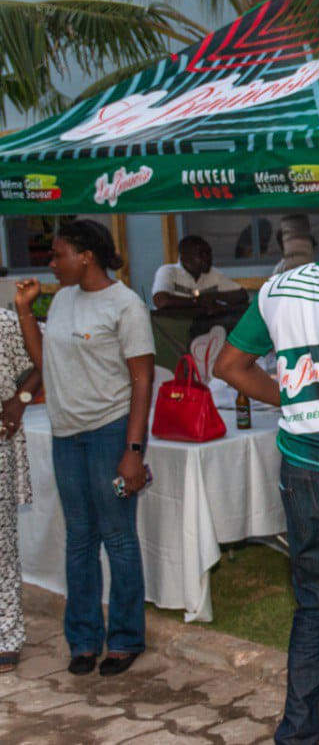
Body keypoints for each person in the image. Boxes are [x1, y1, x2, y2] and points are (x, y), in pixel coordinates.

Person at [213, 193, 319, 745]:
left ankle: (297, 733)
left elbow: (229, 366)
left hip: (301, 466)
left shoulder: (278, 287)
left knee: (313, 603)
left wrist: (290, 400)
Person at [14, 220, 154, 677]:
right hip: (65, 436)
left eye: (58, 256)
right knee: (78, 539)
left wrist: (133, 448)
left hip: (109, 433)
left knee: (117, 538)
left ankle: (126, 638)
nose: (51, 264)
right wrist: (23, 311)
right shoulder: (64, 300)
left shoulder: (125, 306)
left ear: (86, 256)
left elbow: (142, 380)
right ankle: (83, 639)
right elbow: (44, 362)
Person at [0, 308, 40, 674]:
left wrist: (21, 400)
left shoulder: (4, 323)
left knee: (1, 548)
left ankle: (6, 637)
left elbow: (45, 356)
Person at [152, 235, 248, 312]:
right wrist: (199, 302)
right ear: (184, 258)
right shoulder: (168, 271)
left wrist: (214, 296)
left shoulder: (213, 273)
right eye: (201, 254)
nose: (207, 258)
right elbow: (161, 301)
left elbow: (242, 295)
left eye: (209, 253)